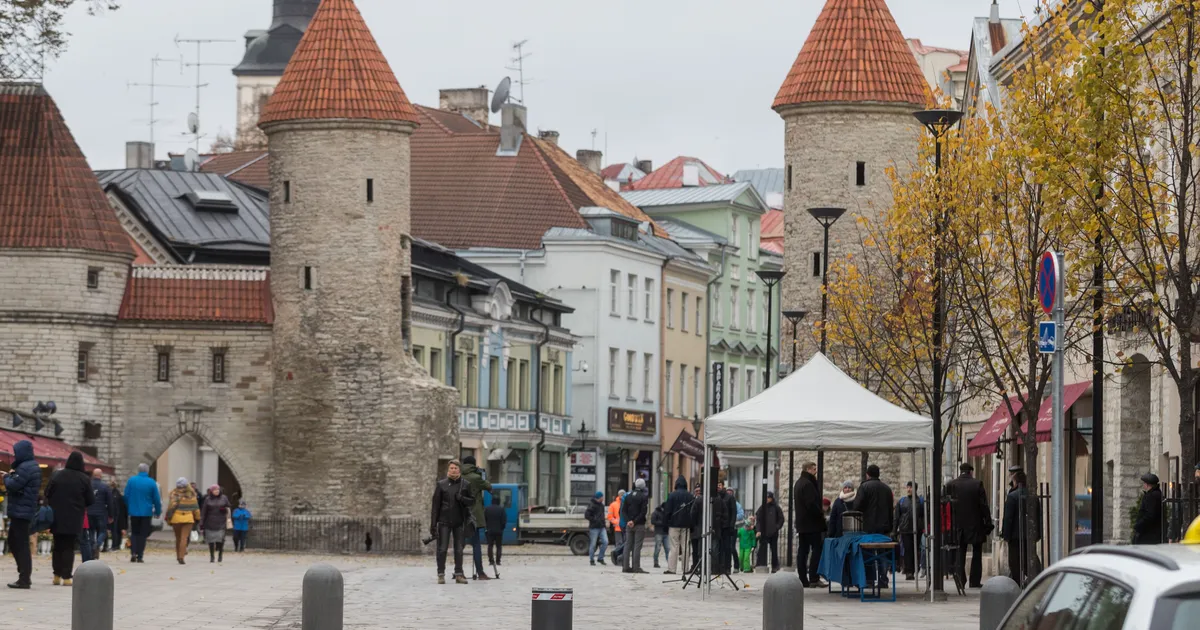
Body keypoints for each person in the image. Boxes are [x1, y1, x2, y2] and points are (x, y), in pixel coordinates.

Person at [45, 452, 93, 585]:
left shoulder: (57, 475)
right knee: (69, 546)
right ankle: (66, 576)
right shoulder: (84, 478)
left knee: (57, 545)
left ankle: (56, 575)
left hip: (57, 516)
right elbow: (91, 500)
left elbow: (47, 493)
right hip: (74, 517)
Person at [3, 440, 41, 589]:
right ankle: (23, 575)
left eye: (16, 452)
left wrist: (6, 477)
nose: (14, 455)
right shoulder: (30, 466)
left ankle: (24, 578)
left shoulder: (26, 467)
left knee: (20, 543)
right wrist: (12, 474)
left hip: (21, 511)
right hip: (23, 510)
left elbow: (14, 485)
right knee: (14, 541)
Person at [946, 462, 991, 589]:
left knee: (961, 552)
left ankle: (961, 579)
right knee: (977, 553)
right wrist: (988, 522)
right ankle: (974, 581)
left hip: (958, 525)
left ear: (960, 471)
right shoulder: (977, 484)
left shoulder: (951, 485)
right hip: (975, 524)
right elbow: (984, 506)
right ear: (971, 471)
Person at [430, 460, 473, 584]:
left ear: (459, 470)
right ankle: (441, 573)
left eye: (455, 468)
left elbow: (472, 501)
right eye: (451, 468)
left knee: (459, 549)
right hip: (444, 521)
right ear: (448, 470)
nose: (453, 470)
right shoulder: (441, 484)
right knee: (442, 548)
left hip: (459, 521)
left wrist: (463, 498)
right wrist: (433, 524)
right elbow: (435, 506)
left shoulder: (465, 484)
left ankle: (459, 573)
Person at [853, 464, 894, 587]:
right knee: (883, 553)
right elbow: (890, 509)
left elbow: (857, 506)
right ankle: (883, 579)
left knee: (867, 553)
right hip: (884, 526)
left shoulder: (864, 487)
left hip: (868, 526)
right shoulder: (887, 489)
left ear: (867, 474)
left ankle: (869, 579)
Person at [1002, 471, 1040, 585]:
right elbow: (1038, 516)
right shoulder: (1033, 496)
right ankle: (1036, 578)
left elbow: (1008, 518)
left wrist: (1006, 535)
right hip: (1030, 535)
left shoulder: (1012, 496)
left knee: (1015, 562)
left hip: (1015, 536)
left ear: (1016, 482)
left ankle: (1017, 583)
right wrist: (1038, 534)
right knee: (1030, 558)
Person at [458, 455, 492, 580]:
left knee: (460, 544)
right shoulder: (476, 477)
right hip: (474, 515)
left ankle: (458, 572)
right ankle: (480, 572)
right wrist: (483, 475)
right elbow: (489, 486)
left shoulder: (459, 477)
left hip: (460, 515)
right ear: (473, 465)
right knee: (476, 544)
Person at [793, 462, 826, 587]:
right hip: (811, 523)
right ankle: (813, 577)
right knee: (816, 550)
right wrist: (820, 514)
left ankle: (803, 578)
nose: (816, 471)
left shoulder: (799, 483)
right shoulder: (808, 484)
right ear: (808, 469)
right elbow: (811, 504)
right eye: (814, 468)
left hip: (803, 523)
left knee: (803, 551)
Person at [122, 463, 161, 563]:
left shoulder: (131, 481)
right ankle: (140, 555)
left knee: (134, 532)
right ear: (147, 471)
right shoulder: (151, 482)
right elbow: (156, 498)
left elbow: (126, 495)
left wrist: (129, 506)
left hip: (134, 511)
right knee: (143, 534)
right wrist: (157, 511)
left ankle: (133, 552)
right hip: (146, 512)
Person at [664, 476, 694, 575]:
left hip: (674, 524)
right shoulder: (690, 495)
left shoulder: (672, 495)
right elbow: (692, 511)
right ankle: (685, 568)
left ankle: (672, 569)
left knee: (674, 546)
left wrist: (666, 522)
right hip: (686, 525)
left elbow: (667, 510)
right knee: (686, 547)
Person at [166, 478, 200, 565]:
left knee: (178, 538)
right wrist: (198, 518)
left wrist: (168, 517)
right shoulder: (191, 494)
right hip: (188, 518)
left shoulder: (174, 493)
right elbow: (196, 508)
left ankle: (178, 556)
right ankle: (182, 557)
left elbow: (171, 507)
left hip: (176, 518)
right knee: (184, 538)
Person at [895, 481, 925, 580]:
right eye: (907, 487)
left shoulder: (920, 501)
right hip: (905, 529)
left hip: (917, 529)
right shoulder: (902, 501)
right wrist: (894, 529)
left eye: (910, 488)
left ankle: (914, 568)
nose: (908, 489)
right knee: (908, 550)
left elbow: (923, 515)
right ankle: (909, 571)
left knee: (916, 549)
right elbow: (897, 516)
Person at [622, 478, 649, 574]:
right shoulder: (643, 497)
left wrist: (628, 521)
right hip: (639, 524)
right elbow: (643, 512)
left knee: (627, 545)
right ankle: (636, 567)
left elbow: (623, 510)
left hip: (629, 525)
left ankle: (625, 567)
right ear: (643, 486)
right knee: (637, 546)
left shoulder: (628, 496)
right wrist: (635, 521)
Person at [200, 485, 231, 563]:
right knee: (211, 540)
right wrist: (202, 522)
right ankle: (212, 556)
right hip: (210, 521)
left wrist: (224, 510)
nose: (217, 491)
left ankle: (220, 554)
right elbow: (204, 511)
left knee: (220, 539)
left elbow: (229, 507)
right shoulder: (207, 499)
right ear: (211, 491)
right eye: (215, 490)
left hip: (221, 521)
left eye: (217, 490)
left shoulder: (224, 498)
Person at [85, 469, 112, 557]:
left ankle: (93, 547)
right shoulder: (105, 487)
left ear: (93, 475)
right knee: (103, 531)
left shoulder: (88, 485)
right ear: (101, 475)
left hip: (89, 512)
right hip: (101, 513)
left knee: (91, 531)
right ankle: (98, 544)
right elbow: (110, 502)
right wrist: (111, 515)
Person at [755, 491, 784, 572]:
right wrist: (758, 530)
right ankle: (760, 564)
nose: (767, 499)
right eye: (766, 498)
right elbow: (758, 520)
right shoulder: (762, 508)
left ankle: (775, 566)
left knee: (774, 550)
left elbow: (781, 519)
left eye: (769, 498)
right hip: (764, 533)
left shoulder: (776, 507)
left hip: (773, 533)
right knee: (762, 549)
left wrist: (777, 527)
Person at [1133, 473, 1163, 545]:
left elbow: (1150, 515)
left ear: (1147, 484)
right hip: (1154, 532)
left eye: (1144, 483)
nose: (1144, 485)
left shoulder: (1151, 496)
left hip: (1148, 533)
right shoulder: (1158, 494)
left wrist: (1138, 525)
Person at [583, 490, 608, 566]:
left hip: (602, 527)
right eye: (602, 497)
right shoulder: (591, 505)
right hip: (594, 527)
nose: (603, 498)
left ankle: (600, 558)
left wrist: (603, 523)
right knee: (593, 544)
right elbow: (587, 515)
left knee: (605, 542)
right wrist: (594, 520)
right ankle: (591, 559)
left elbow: (602, 515)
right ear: (599, 497)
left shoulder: (601, 505)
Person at [483, 495, 506, 567]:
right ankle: (498, 561)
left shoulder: (487, 509)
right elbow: (504, 521)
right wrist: (502, 528)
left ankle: (491, 561)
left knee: (490, 546)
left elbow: (484, 520)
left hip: (490, 531)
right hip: (499, 531)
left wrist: (486, 528)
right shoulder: (501, 509)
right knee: (498, 546)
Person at [720, 484, 739, 574]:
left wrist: (731, 525)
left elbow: (734, 512)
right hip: (719, 526)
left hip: (727, 527)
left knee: (728, 547)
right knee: (720, 547)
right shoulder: (716, 497)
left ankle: (727, 567)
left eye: (720, 485)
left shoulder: (730, 498)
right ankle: (721, 566)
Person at [688, 484, 706, 574]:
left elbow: (693, 514)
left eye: (699, 491)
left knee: (700, 550)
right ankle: (695, 566)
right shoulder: (691, 500)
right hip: (695, 529)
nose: (698, 493)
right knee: (695, 550)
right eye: (696, 491)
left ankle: (700, 567)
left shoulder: (704, 500)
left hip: (699, 528)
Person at [607, 489, 625, 565]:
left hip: (625, 528)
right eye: (621, 494)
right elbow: (609, 516)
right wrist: (616, 522)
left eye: (623, 494)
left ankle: (621, 558)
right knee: (619, 544)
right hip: (617, 528)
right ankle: (618, 559)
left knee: (625, 544)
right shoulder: (613, 505)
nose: (622, 496)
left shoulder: (626, 503)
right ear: (619, 495)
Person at [108, 480, 126, 553]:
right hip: (119, 515)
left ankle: (114, 546)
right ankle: (117, 545)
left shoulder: (111, 494)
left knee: (114, 531)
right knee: (118, 531)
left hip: (114, 515)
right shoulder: (119, 495)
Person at [651, 502, 670, 569]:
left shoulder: (667, 512)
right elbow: (653, 521)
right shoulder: (656, 512)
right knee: (658, 548)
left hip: (666, 533)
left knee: (667, 548)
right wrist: (662, 523)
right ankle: (656, 562)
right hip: (658, 532)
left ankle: (670, 563)